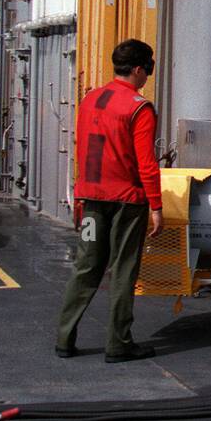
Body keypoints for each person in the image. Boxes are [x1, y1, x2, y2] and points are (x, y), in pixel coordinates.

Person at [57, 39, 164, 363]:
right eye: (147, 69)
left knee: (86, 267)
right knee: (123, 270)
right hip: (127, 200)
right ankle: (118, 343)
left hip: (91, 196)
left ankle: (64, 338)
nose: (147, 76)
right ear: (138, 69)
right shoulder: (138, 107)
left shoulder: (90, 99)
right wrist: (156, 206)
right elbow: (146, 162)